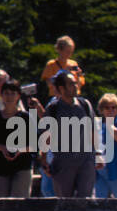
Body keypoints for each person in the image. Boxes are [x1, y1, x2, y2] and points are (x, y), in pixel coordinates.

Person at [42, 69, 99, 198]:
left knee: (86, 200)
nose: (75, 86)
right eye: (71, 84)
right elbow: (46, 136)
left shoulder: (85, 105)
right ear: (61, 88)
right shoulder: (53, 109)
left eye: (75, 83)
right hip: (63, 162)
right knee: (64, 203)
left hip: (85, 160)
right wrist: (44, 159)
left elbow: (93, 130)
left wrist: (99, 154)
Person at [0, 81, 37, 198]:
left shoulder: (26, 118)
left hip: (23, 166)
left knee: (19, 202)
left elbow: (35, 144)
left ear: (18, 96)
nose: (9, 96)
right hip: (2, 167)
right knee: (1, 203)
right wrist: (2, 148)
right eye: (6, 93)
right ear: (2, 95)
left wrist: (19, 150)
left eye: (13, 93)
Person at [94, 93, 117, 199]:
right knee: (99, 202)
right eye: (107, 107)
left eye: (114, 107)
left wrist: (109, 124)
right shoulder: (97, 124)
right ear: (101, 109)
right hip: (100, 170)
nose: (111, 110)